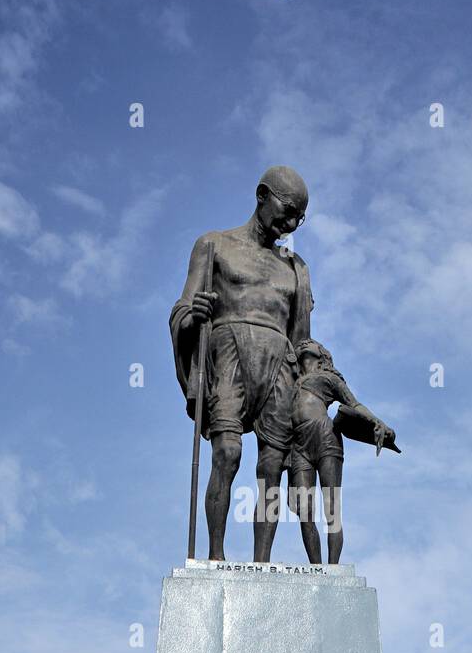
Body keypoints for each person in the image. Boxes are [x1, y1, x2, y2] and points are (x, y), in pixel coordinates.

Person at [170, 166, 313, 562]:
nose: (289, 224)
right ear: (262, 195)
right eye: (286, 211)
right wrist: (192, 315)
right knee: (228, 453)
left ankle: (261, 563)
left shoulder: (296, 269)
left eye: (298, 218)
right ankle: (215, 556)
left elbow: (302, 341)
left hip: (278, 363)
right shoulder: (214, 245)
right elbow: (183, 307)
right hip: (229, 351)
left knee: (273, 464)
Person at [288, 339, 397, 565]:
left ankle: (333, 568)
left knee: (331, 507)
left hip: (325, 437)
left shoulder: (329, 378)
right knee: (305, 511)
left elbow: (354, 405)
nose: (305, 343)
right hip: (299, 444)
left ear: (321, 355)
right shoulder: (291, 384)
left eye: (310, 344)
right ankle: (316, 569)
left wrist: (377, 422)